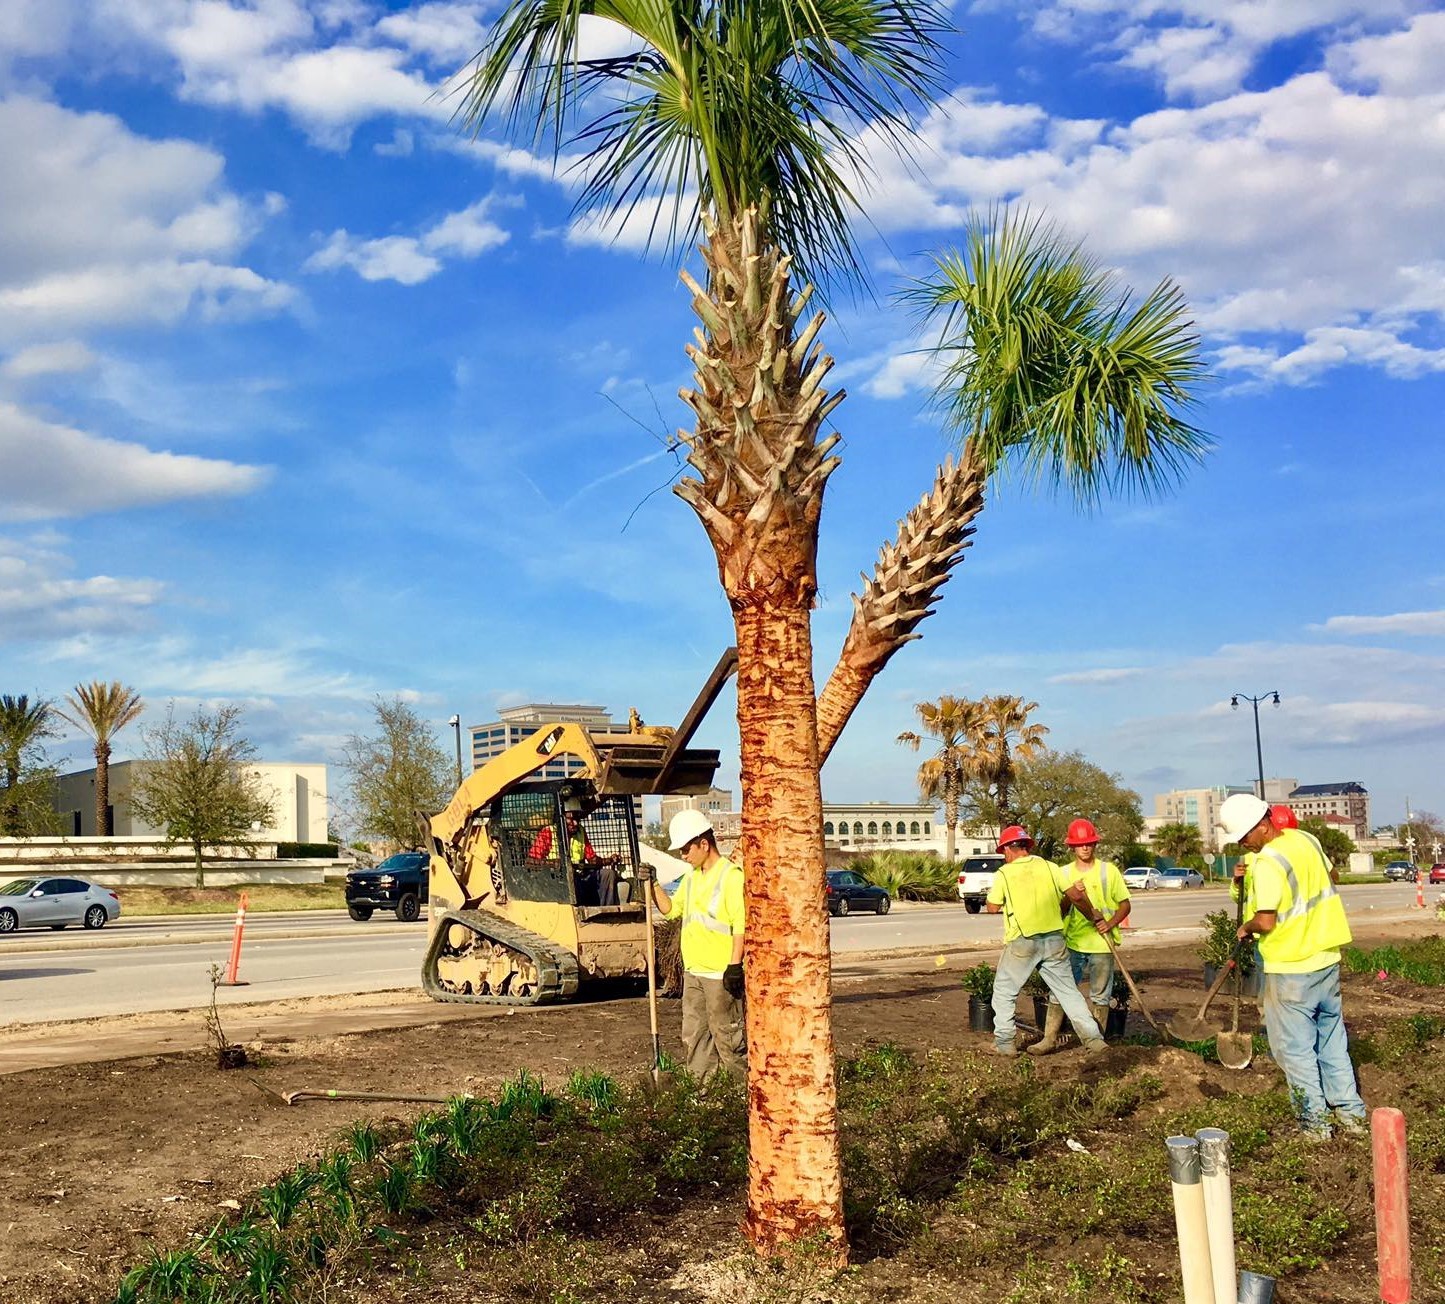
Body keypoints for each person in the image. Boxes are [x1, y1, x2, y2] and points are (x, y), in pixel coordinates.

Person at [1217, 793, 1366, 1138]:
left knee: (1296, 1050)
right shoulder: (1307, 840)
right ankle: (1351, 1114)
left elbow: (1266, 920)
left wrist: (1246, 926)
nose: (1242, 843)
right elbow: (1330, 878)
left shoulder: (1268, 861)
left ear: (1261, 826)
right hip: (1327, 957)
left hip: (1291, 964)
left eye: (1243, 836)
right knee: (1331, 1039)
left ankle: (1314, 1126)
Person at [985, 825, 1109, 1058]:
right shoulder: (1050, 867)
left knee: (1004, 991)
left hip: (1023, 940)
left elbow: (992, 907)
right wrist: (1092, 914)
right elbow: (1075, 895)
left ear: (1006, 850)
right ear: (1027, 847)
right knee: (1068, 992)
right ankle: (1094, 1040)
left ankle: (1004, 1043)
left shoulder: (1004, 873)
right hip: (1054, 939)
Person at [641, 809, 746, 1078]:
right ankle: (703, 1097)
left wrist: (734, 966)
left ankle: (742, 1096)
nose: (683, 856)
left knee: (729, 1040)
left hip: (719, 974)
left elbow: (740, 925)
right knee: (695, 1039)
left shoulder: (730, 876)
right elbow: (670, 910)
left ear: (704, 843)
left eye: (686, 850)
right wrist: (652, 884)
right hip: (694, 972)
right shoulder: (691, 878)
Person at [1033, 818, 1132, 1053]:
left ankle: (1095, 1042)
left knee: (1100, 996)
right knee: (1061, 991)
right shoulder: (1063, 873)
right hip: (1073, 944)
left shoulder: (1109, 872)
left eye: (1089, 843)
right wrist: (1071, 895)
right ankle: (1049, 1039)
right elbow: (1060, 910)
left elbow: (1125, 905)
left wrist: (1110, 924)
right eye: (1080, 844)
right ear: (1072, 847)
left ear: (1094, 844)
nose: (1085, 848)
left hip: (1101, 945)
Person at [529, 809, 618, 906]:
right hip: (558, 880)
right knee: (572, 876)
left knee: (608, 874)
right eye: (571, 819)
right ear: (561, 818)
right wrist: (553, 863)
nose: (575, 823)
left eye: (577, 819)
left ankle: (607, 912)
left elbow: (593, 860)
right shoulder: (548, 833)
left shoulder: (580, 832)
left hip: (580, 876)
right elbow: (530, 862)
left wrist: (609, 860)